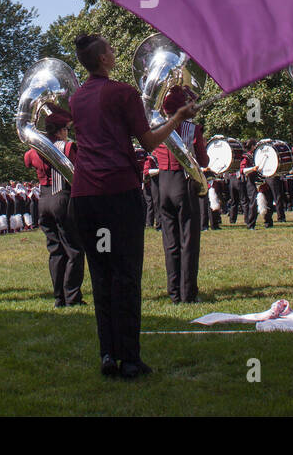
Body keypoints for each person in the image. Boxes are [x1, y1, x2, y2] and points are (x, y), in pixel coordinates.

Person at [68, 34, 197, 379]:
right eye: (110, 48)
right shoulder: (122, 92)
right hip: (117, 194)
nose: (114, 51)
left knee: (101, 275)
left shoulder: (76, 98)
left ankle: (107, 354)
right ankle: (130, 359)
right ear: (104, 60)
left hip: (84, 197)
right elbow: (149, 140)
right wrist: (179, 116)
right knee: (126, 275)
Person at [152, 86, 208, 303]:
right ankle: (188, 293)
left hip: (163, 184)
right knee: (189, 240)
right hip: (184, 184)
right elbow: (203, 162)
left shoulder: (157, 127)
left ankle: (173, 292)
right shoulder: (192, 130)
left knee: (170, 241)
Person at [26, 110, 85, 307]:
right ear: (60, 132)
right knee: (74, 249)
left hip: (43, 200)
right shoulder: (67, 148)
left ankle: (58, 297)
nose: (68, 133)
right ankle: (72, 296)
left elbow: (27, 160)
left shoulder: (35, 150)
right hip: (62, 198)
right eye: (66, 129)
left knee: (55, 250)